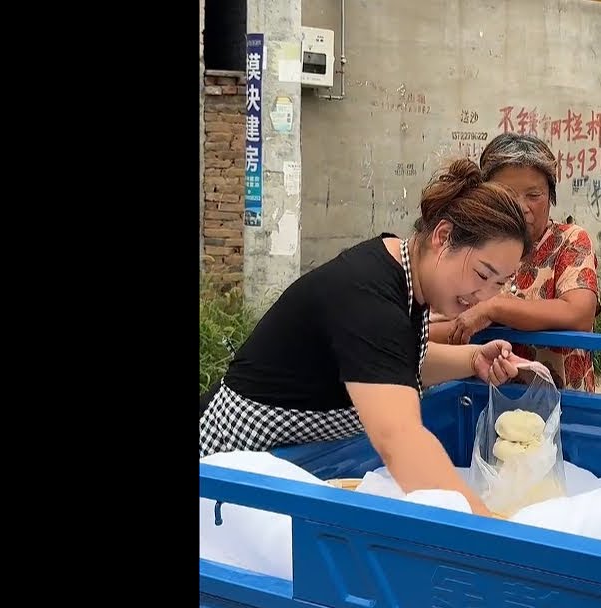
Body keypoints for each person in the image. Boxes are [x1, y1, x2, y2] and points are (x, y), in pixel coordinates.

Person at [199, 158, 534, 517]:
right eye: (482, 274)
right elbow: (400, 439)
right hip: (226, 469)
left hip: (287, 464)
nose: (483, 296)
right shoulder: (367, 294)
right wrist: (487, 528)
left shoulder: (408, 278)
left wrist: (472, 359)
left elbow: (390, 365)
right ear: (442, 237)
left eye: (499, 284)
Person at [430, 133, 601, 392]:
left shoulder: (570, 241)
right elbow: (435, 328)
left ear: (550, 196)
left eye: (534, 195)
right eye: (507, 194)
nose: (521, 207)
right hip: (480, 399)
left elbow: (579, 314)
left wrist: (494, 309)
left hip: (561, 403)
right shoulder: (467, 247)